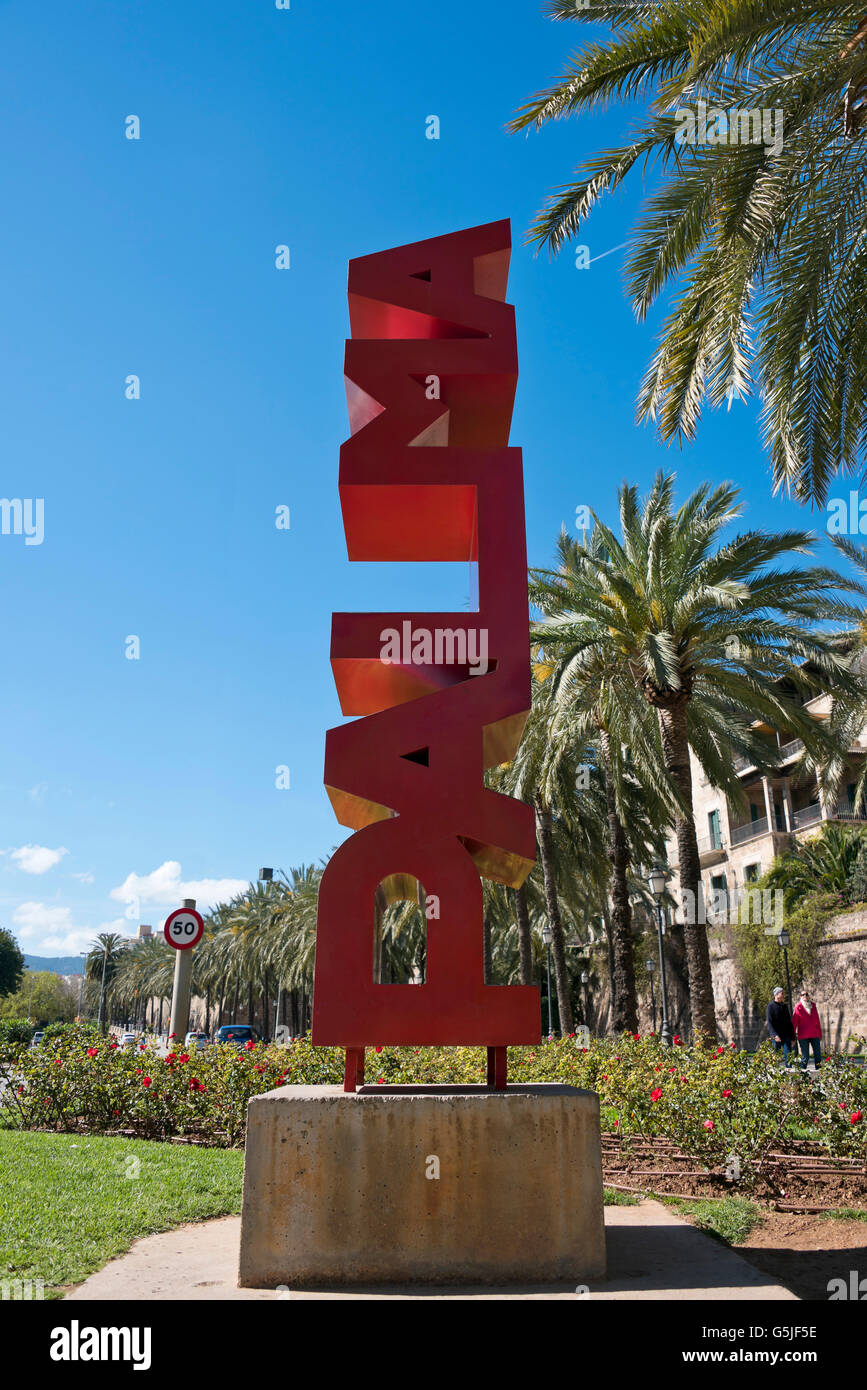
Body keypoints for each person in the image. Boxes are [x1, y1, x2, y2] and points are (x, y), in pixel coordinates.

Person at [792, 988, 823, 1071]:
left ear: (808, 996)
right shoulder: (798, 1007)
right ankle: (802, 1073)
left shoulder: (813, 1005)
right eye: (803, 995)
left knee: (818, 1054)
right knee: (805, 1056)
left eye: (806, 994)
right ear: (800, 996)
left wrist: (820, 1033)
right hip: (803, 1035)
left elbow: (817, 1020)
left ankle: (819, 1072)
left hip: (814, 1034)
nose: (805, 996)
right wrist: (793, 1035)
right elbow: (794, 1023)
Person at [766, 986, 795, 1065]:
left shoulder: (784, 1006)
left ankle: (790, 1073)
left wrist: (793, 1037)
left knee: (788, 1056)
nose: (783, 995)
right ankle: (775, 1074)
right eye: (782, 993)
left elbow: (789, 1022)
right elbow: (770, 1022)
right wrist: (775, 1035)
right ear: (776, 994)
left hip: (786, 1035)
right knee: (775, 1056)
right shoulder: (770, 1006)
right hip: (776, 1036)